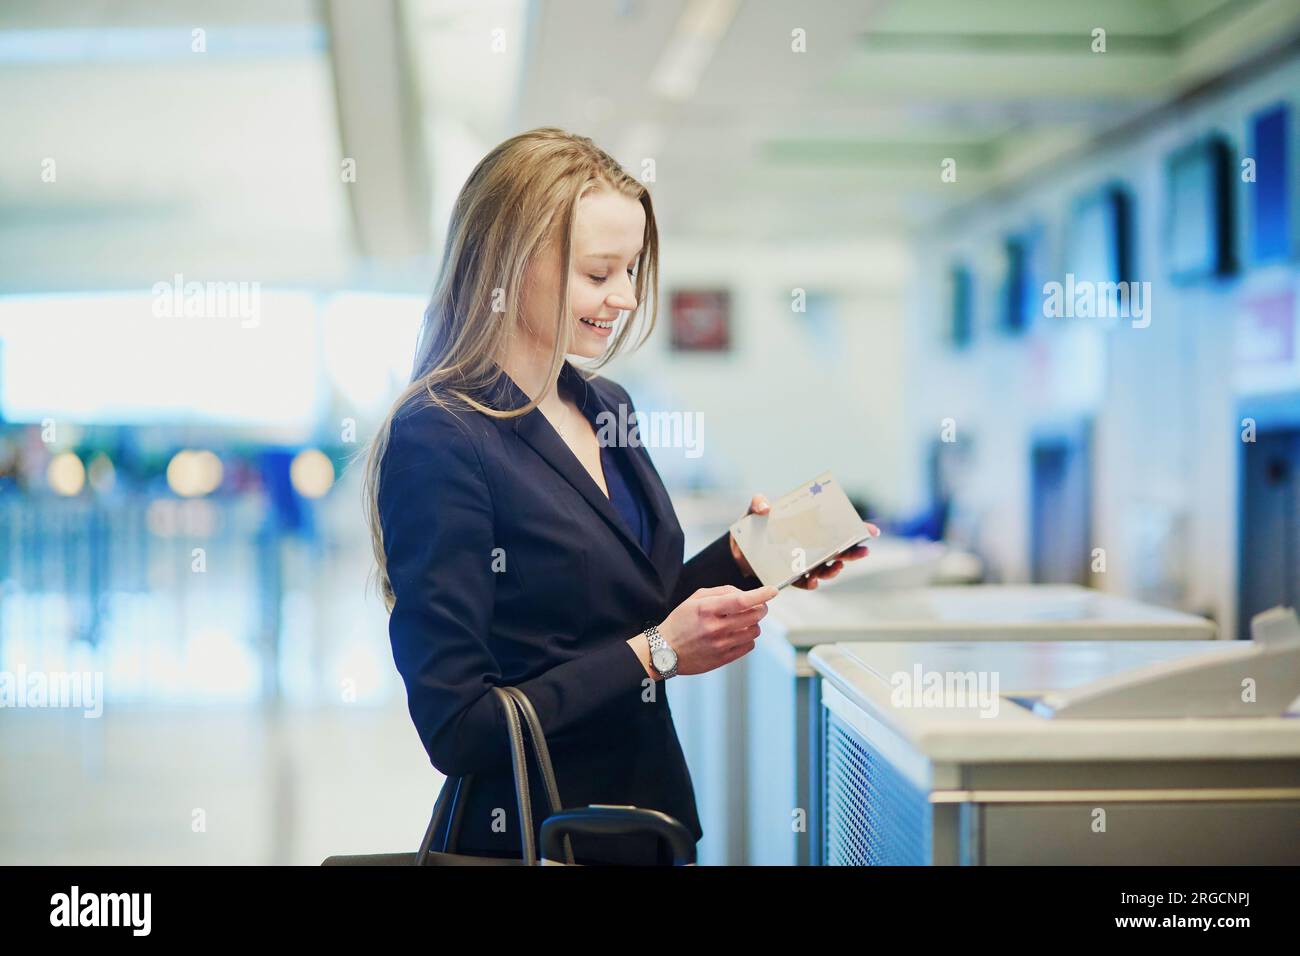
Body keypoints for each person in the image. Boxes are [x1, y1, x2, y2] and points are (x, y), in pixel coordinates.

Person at [361, 127, 876, 865]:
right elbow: (457, 727)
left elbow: (629, 607)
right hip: (536, 836)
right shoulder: (443, 435)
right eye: (599, 273)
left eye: (632, 271)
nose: (626, 298)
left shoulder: (608, 405)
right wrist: (660, 653)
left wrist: (744, 559)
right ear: (511, 266)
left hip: (647, 817)